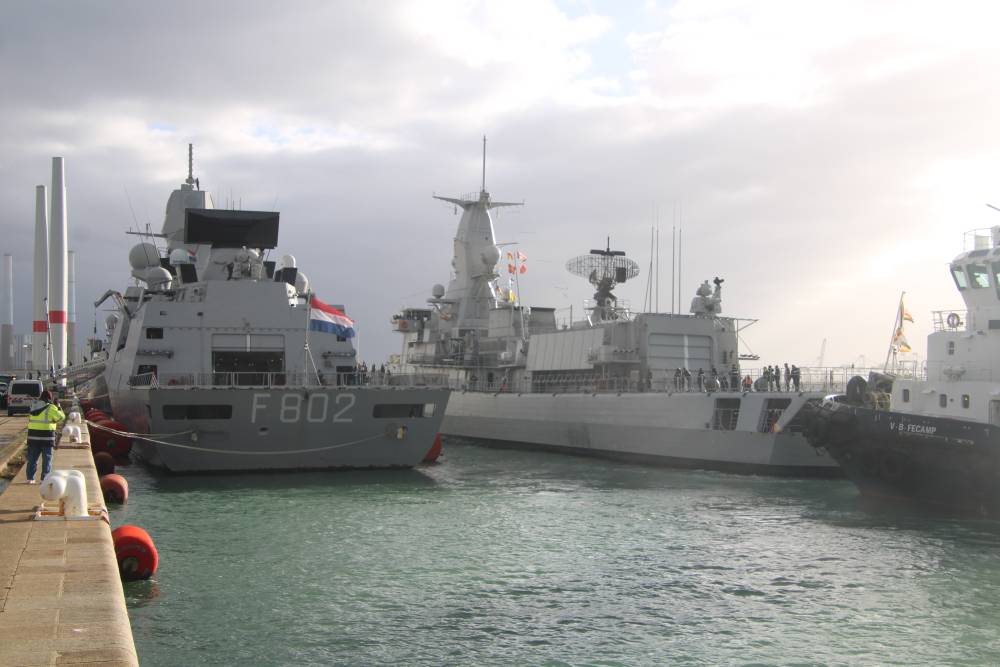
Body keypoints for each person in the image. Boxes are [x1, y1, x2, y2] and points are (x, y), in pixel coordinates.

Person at [25, 390, 65, 484]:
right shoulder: (51, 407)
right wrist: (58, 407)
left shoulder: (33, 406)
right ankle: (44, 479)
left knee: (32, 458)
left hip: (33, 437)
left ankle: (30, 478)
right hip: (47, 438)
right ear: (49, 398)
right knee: (47, 459)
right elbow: (61, 417)